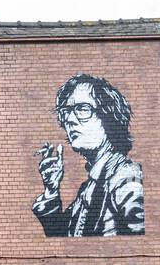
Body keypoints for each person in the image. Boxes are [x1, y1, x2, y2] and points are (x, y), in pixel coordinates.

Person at [32, 73, 145, 237]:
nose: (69, 119)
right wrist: (52, 190)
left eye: (82, 109)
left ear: (108, 117)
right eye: (66, 112)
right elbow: (65, 240)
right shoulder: (91, 186)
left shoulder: (126, 178)